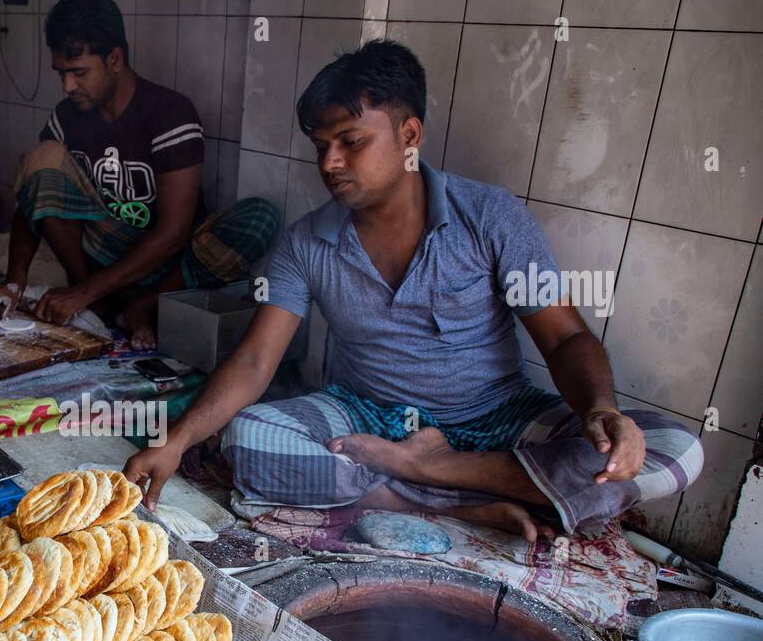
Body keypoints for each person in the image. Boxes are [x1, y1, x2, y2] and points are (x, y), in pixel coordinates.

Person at [124, 40, 702, 543]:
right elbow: (254, 360)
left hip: (497, 418)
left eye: (350, 141)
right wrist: (177, 442)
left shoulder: (490, 217)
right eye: (320, 145)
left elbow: (566, 338)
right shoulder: (306, 243)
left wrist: (601, 409)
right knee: (253, 438)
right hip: (369, 415)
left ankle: (436, 473)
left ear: (409, 135)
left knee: (673, 449)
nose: (329, 162)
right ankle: (443, 498)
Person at [0, 0, 280, 347]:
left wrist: (82, 294)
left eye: (78, 72)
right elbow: (33, 200)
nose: (67, 86)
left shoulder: (170, 113)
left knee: (260, 217)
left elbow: (173, 232)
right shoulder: (66, 117)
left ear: (115, 59)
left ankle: (139, 305)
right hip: (101, 250)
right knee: (42, 157)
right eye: (61, 73)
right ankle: (101, 303)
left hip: (165, 263)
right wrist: (15, 281)